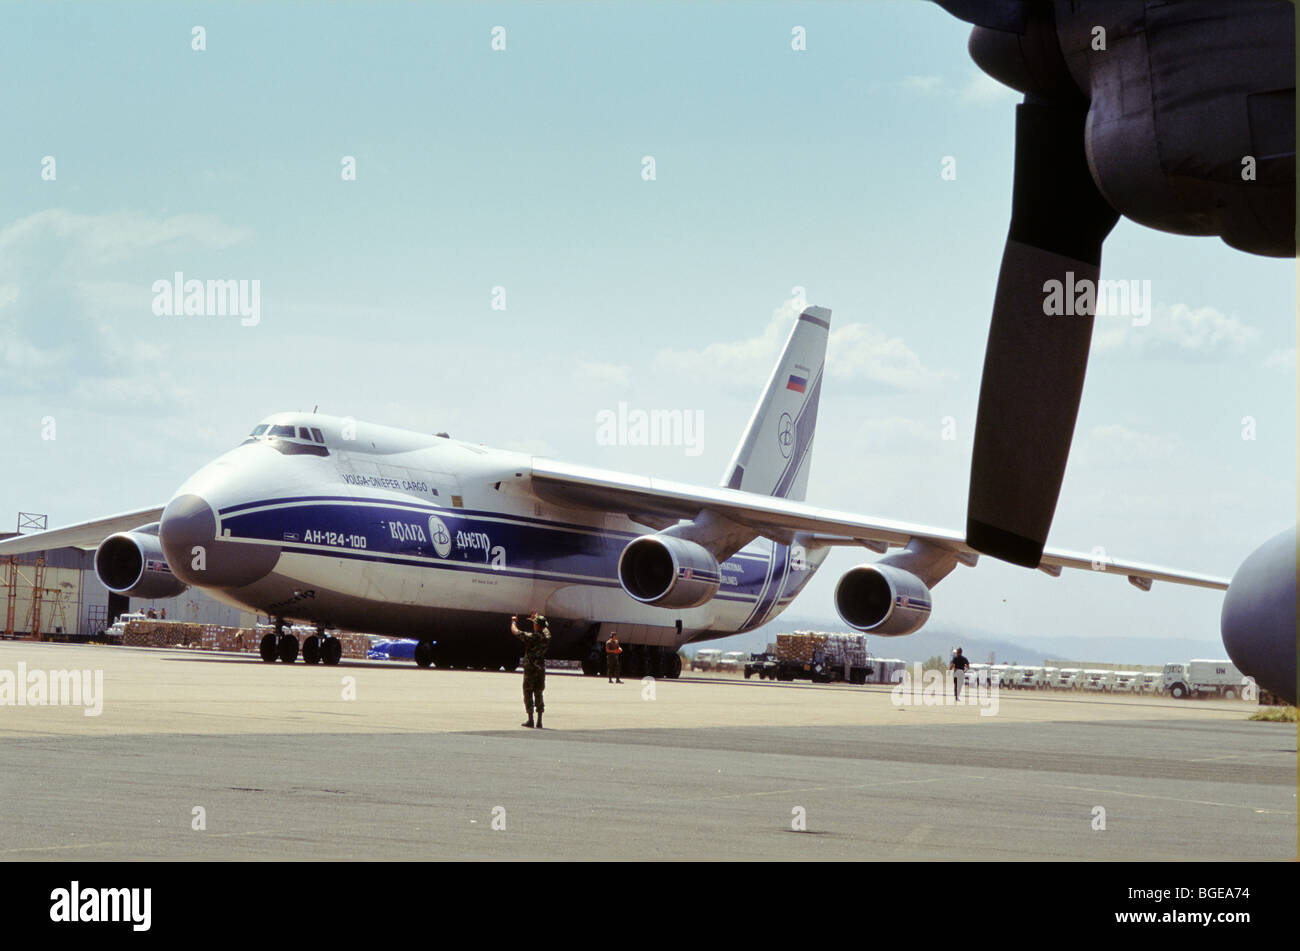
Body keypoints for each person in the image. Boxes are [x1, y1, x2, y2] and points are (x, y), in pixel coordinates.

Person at [510, 612, 551, 728]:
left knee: (528, 692)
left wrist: (513, 621)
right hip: (540, 669)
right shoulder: (547, 637)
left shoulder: (531, 637)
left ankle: (530, 719)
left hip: (530, 668)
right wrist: (537, 619)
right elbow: (546, 629)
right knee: (539, 693)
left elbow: (515, 631)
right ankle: (539, 721)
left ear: (536, 626)